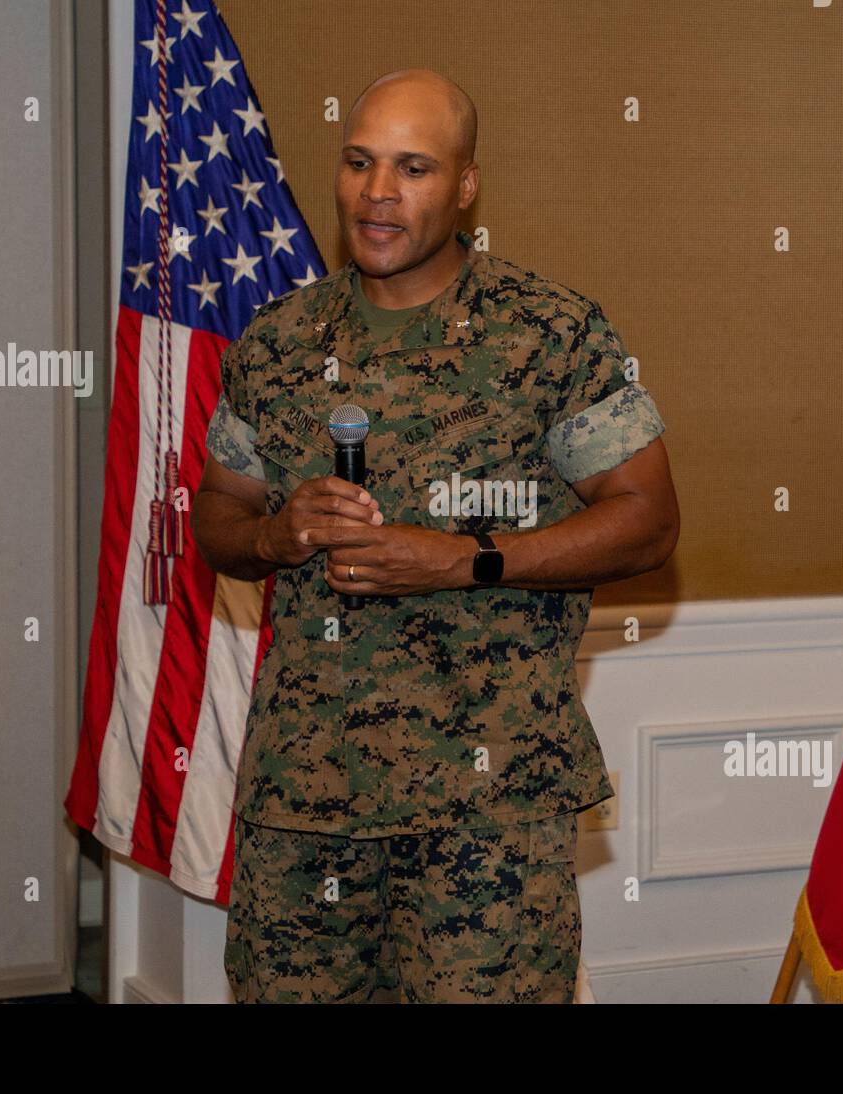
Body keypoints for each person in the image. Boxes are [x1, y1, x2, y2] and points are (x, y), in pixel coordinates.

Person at [192, 67, 679, 1003]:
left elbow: (649, 520)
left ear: (464, 186)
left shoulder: (548, 333)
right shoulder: (279, 342)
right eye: (359, 162)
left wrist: (468, 560)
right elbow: (218, 512)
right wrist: (276, 536)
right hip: (304, 802)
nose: (378, 192)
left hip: (486, 814)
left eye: (412, 168)